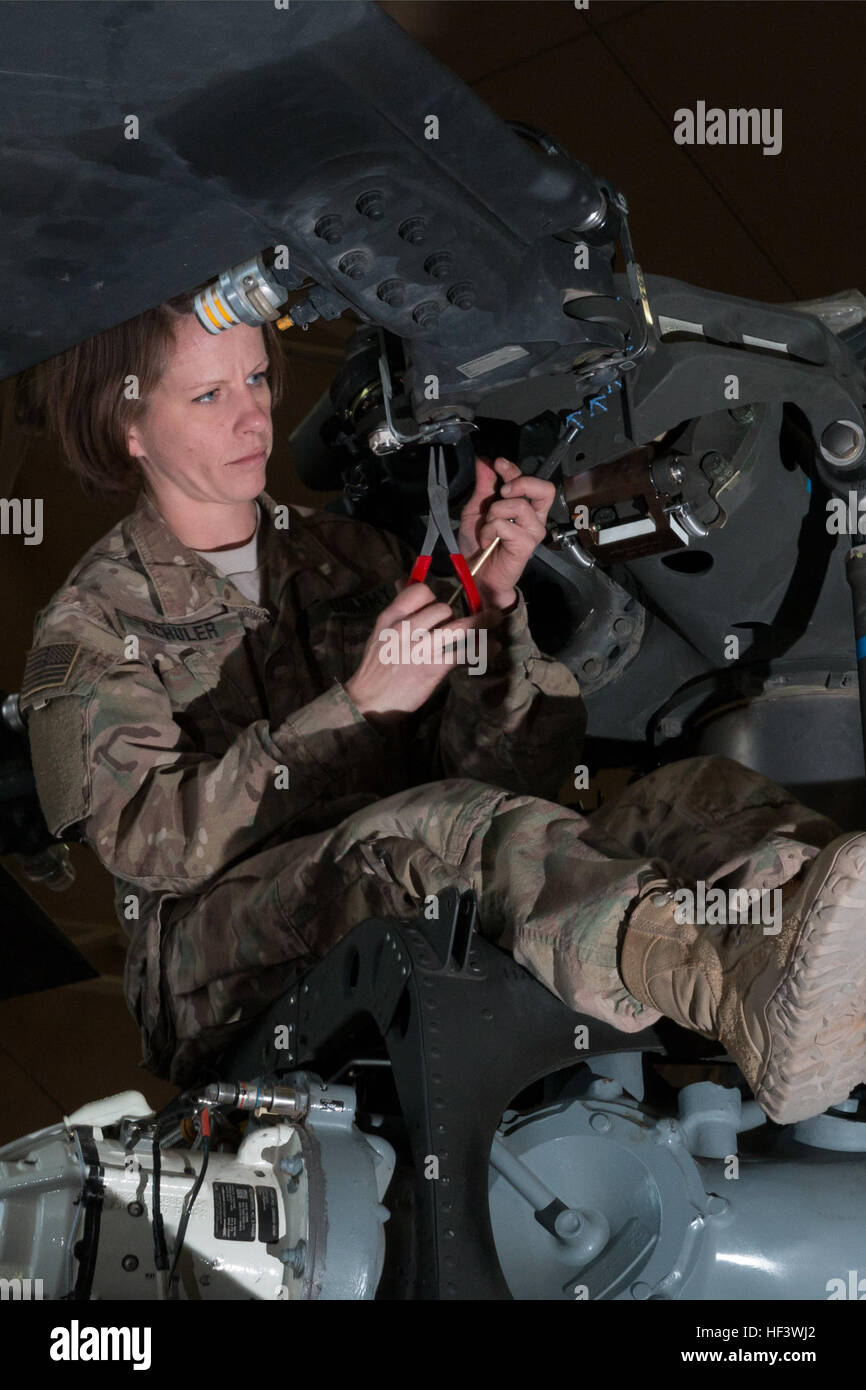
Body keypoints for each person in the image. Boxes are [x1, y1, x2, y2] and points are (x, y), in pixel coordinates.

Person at [18, 286, 866, 1127]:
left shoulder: (347, 556)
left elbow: (507, 779)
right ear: (125, 425)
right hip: (221, 963)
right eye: (209, 395)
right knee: (440, 827)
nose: (252, 419)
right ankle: (728, 986)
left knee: (688, 798)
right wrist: (353, 707)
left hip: (410, 854)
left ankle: (820, 960)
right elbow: (148, 848)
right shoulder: (91, 625)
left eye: (256, 382)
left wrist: (490, 603)